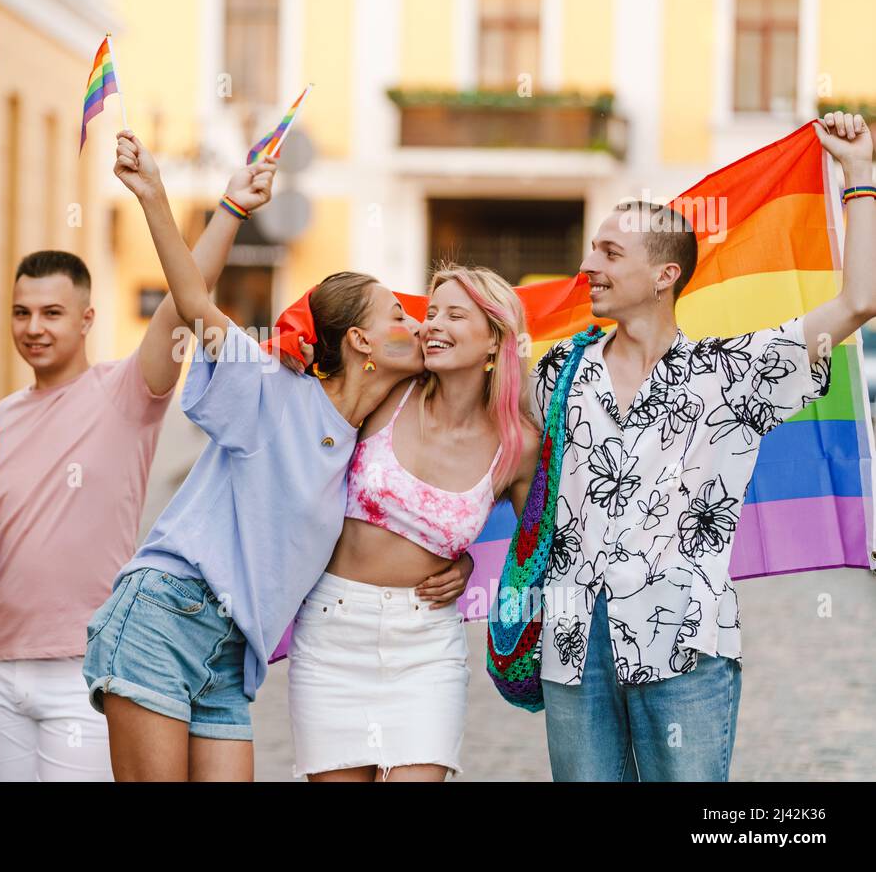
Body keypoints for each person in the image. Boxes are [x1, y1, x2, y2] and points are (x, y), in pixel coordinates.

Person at [533, 110, 875, 781]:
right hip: (573, 644)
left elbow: (859, 301)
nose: (586, 265)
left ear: (664, 274)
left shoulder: (734, 372)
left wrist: (859, 176)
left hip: (685, 644)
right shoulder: (558, 371)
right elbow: (509, 471)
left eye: (608, 252)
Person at [82, 133, 426, 781]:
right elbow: (192, 301)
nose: (418, 322)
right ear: (360, 341)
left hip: (229, 658)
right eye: (400, 314)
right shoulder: (272, 390)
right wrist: (178, 198)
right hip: (165, 615)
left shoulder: (372, 440)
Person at [0, 131, 277, 781]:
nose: (34, 327)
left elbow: (187, 302)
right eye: (21, 312)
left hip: (83, 662)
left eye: (52, 312)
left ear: (86, 319)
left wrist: (228, 207)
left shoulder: (127, 392)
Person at [288, 263, 540, 782]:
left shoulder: (518, 445)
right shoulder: (388, 390)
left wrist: (467, 561)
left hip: (426, 645)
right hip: (334, 633)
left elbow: (538, 547)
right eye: (431, 313)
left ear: (495, 341)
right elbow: (321, 348)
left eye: (456, 314)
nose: (432, 325)